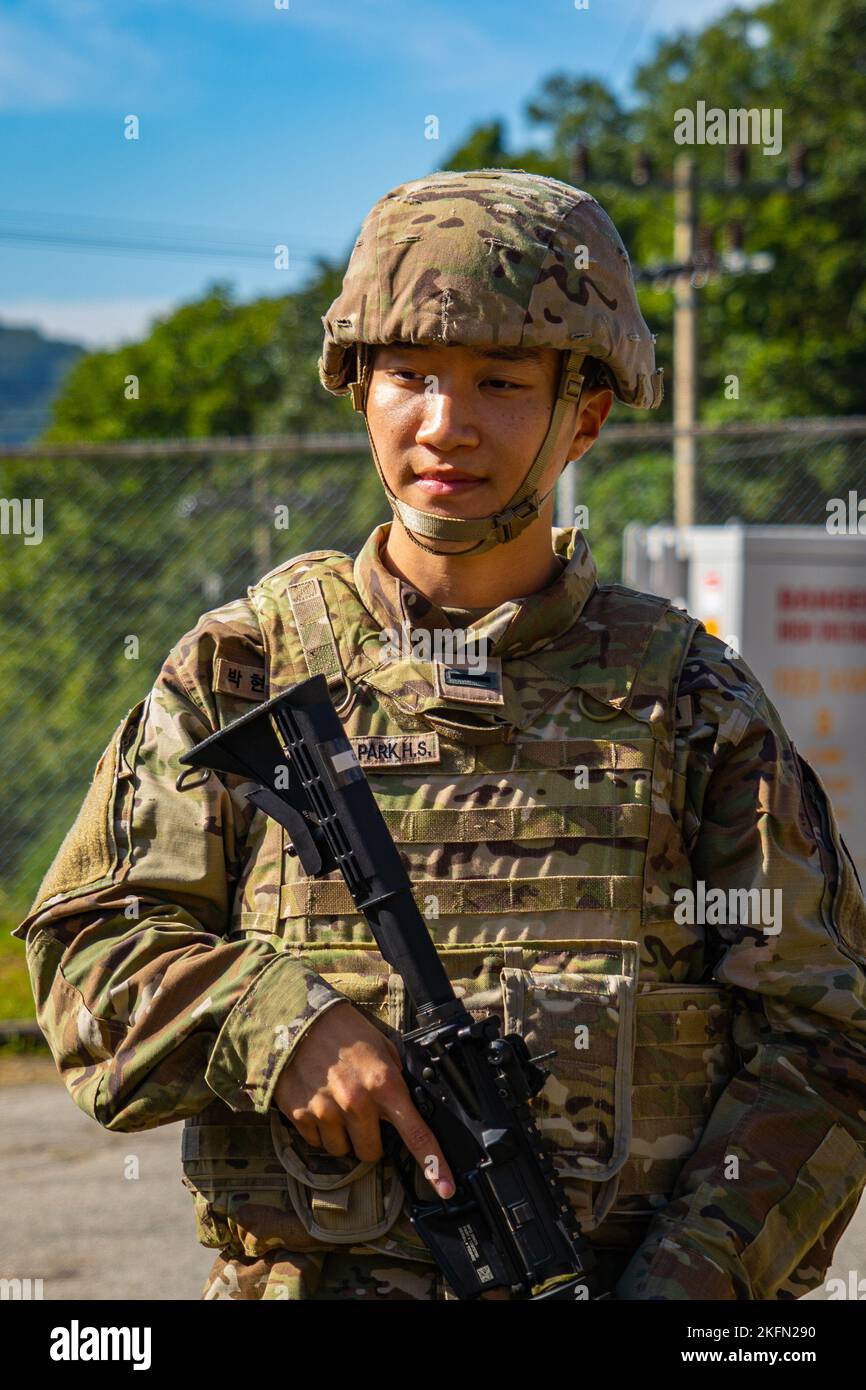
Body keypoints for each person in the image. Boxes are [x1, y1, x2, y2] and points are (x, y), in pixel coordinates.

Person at [15, 168, 866, 1302]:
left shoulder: (690, 701)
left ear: (586, 415)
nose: (444, 423)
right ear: (359, 389)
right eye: (408, 374)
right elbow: (86, 958)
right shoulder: (243, 667)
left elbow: (824, 1036)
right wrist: (278, 1024)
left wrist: (689, 1278)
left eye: (501, 382)